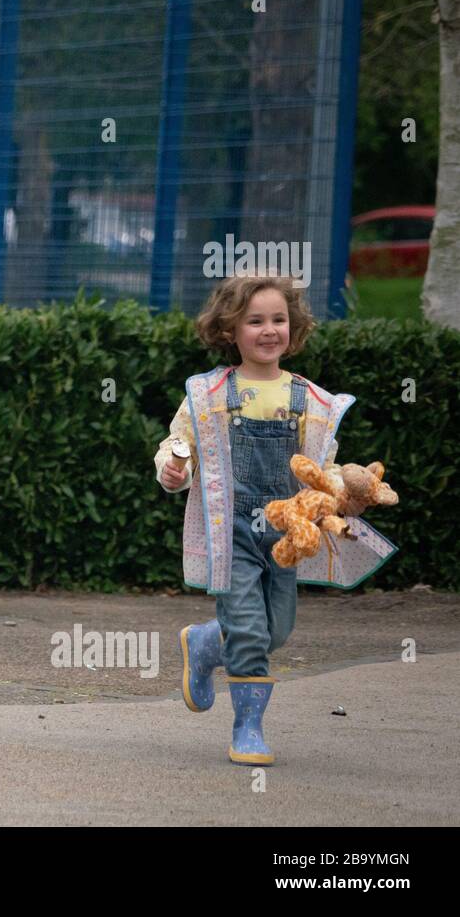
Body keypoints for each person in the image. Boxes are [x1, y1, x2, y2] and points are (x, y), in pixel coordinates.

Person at [155, 273, 396, 765]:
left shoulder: (310, 399)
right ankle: (248, 728)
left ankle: (204, 643)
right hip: (234, 532)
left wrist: (345, 496)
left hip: (290, 534)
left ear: (295, 327)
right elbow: (179, 447)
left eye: (279, 320)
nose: (269, 330)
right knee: (249, 632)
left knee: (276, 632)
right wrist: (174, 469)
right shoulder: (209, 394)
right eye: (255, 320)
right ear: (230, 329)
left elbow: (323, 468)